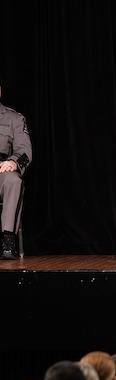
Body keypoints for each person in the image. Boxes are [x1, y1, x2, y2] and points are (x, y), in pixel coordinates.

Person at [0, 85, 32, 260]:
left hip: (1, 170)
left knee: (14, 181)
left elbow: (25, 151)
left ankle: (7, 240)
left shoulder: (14, 118)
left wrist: (13, 162)